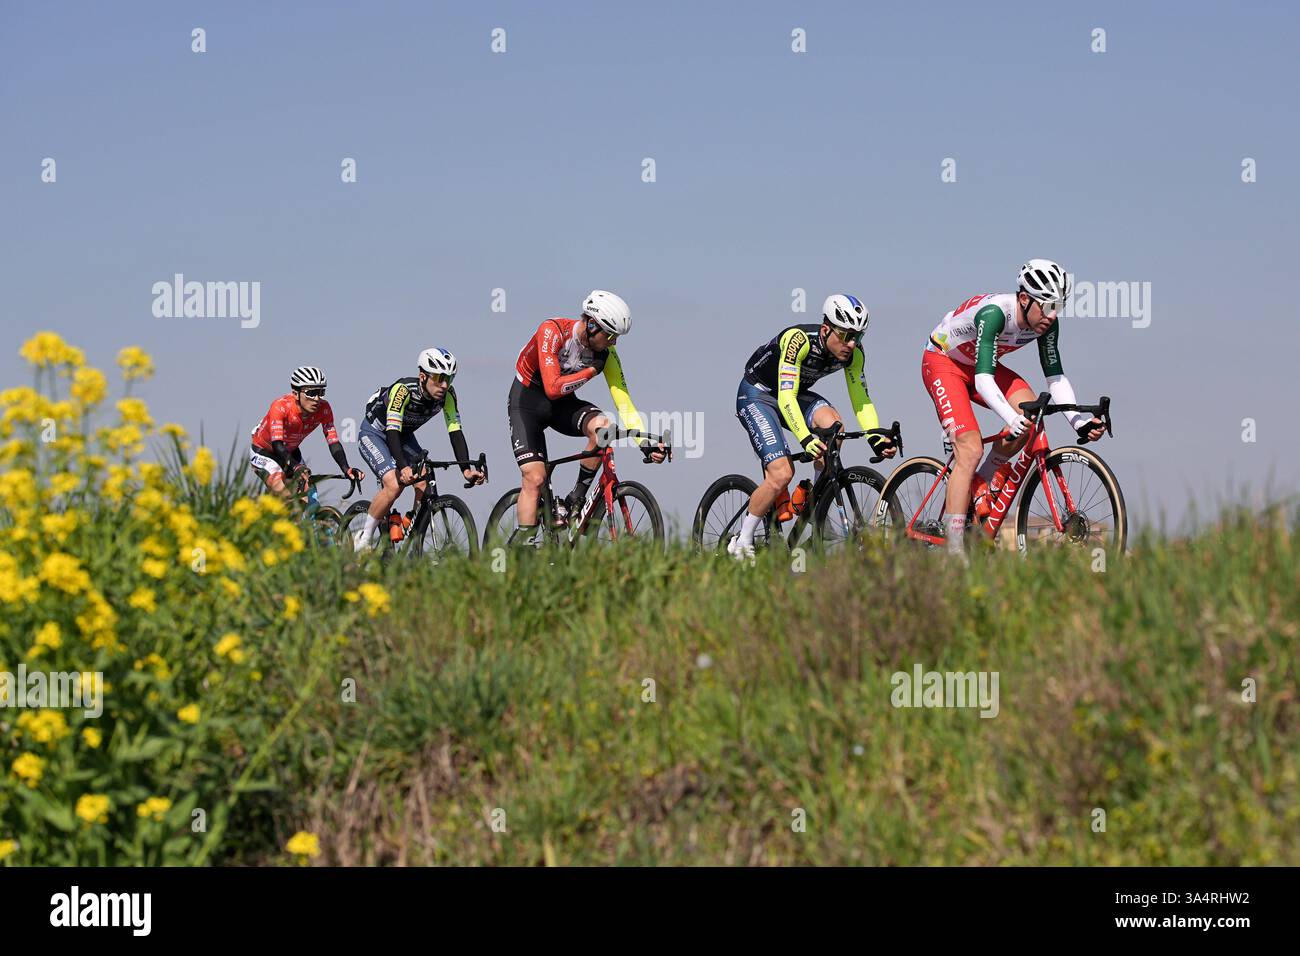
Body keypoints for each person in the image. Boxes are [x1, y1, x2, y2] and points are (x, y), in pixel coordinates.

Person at [921, 259, 1106, 556]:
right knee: (969, 449)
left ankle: (983, 478)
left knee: (1031, 415)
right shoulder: (995, 314)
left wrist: (1079, 421)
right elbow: (983, 380)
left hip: (979, 367)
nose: (1053, 314)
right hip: (943, 362)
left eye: (1059, 305)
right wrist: (1009, 417)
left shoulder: (1047, 323)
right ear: (1024, 298)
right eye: (1047, 305)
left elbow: (1055, 377)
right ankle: (954, 553)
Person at [729, 294, 897, 560]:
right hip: (757, 394)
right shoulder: (798, 341)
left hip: (794, 394)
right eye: (846, 335)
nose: (851, 344)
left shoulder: (853, 355)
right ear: (825, 329)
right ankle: (742, 539)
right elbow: (785, 399)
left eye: (858, 337)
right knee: (782, 473)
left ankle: (817, 502)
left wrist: (874, 436)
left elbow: (861, 400)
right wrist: (805, 438)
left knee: (834, 427)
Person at [507, 290, 665, 544]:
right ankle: (520, 547)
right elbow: (552, 387)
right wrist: (591, 370)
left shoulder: (606, 354)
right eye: (610, 335)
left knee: (604, 427)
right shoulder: (552, 331)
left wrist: (644, 443)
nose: (614, 343)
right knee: (535, 478)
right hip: (527, 403)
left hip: (562, 406)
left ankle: (575, 500)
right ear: (591, 325)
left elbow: (623, 400)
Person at [352, 348, 484, 550]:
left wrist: (465, 469)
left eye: (450, 378)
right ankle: (364, 538)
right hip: (375, 433)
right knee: (394, 485)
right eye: (439, 378)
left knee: (424, 482)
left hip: (403, 436)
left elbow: (455, 431)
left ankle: (411, 531)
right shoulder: (403, 390)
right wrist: (403, 467)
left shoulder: (447, 396)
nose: (445, 385)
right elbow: (392, 431)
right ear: (423, 376)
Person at [249, 366, 363, 495]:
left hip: (290, 452)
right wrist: (296, 466)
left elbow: (333, 442)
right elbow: (277, 444)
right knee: (286, 496)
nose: (317, 398)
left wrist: (346, 468)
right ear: (295, 393)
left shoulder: (324, 409)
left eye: (321, 392)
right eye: (311, 393)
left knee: (309, 498)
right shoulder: (280, 406)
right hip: (265, 452)